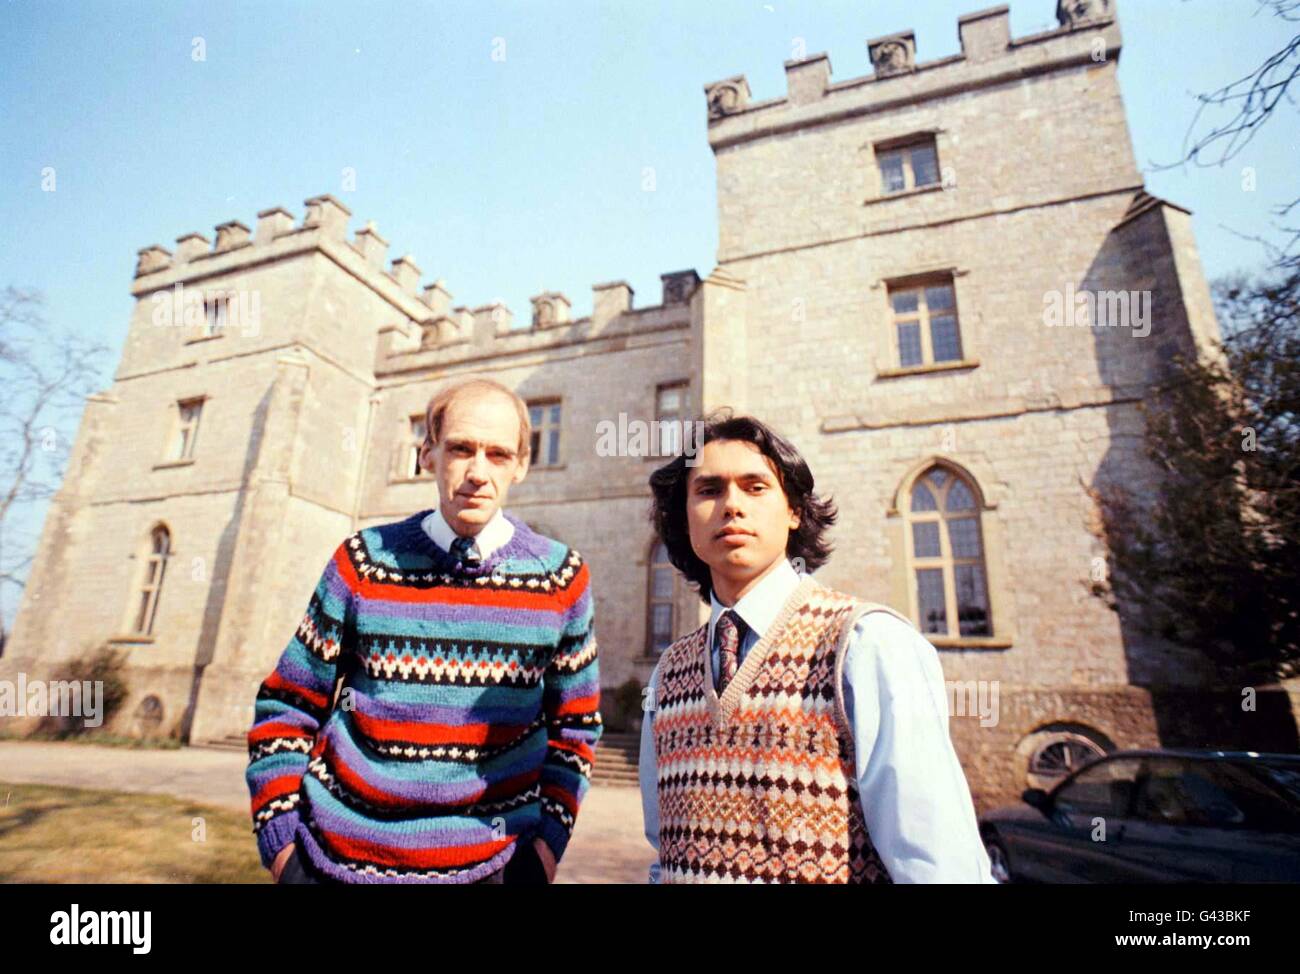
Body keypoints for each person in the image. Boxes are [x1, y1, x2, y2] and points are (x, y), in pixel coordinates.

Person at [245, 377, 602, 884]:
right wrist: (283, 849)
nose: (478, 472)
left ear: (522, 465)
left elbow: (576, 728)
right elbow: (289, 704)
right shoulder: (363, 562)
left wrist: (544, 852)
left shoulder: (561, 578)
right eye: (461, 449)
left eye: (498, 454)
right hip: (337, 862)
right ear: (428, 453)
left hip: (496, 868)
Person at [639, 410, 995, 884]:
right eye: (708, 489)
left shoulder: (867, 645)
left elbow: (939, 866)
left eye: (755, 486)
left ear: (793, 511)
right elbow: (666, 854)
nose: (731, 505)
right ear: (684, 519)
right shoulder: (668, 674)